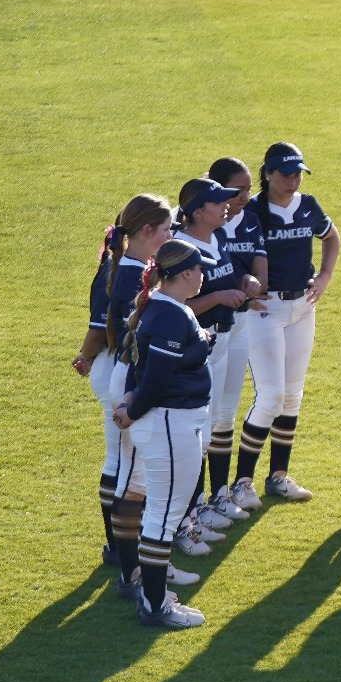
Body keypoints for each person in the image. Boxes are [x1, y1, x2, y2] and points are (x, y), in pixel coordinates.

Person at [112, 242, 217, 630]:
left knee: (152, 508)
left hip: (161, 422)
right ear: (186, 273)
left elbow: (137, 369)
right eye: (199, 268)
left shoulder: (157, 306)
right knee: (163, 518)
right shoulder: (171, 317)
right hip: (170, 424)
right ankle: (156, 607)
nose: (203, 274)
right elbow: (155, 380)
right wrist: (132, 410)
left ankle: (143, 590)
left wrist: (127, 403)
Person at [233, 141, 338, 505]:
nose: (294, 180)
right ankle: (242, 482)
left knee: (292, 395)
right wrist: (244, 288)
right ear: (268, 175)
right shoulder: (254, 210)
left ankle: (278, 475)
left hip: (302, 308)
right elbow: (233, 250)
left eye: (298, 174)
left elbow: (331, 236)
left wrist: (324, 276)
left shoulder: (307, 206)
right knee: (272, 395)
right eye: (286, 174)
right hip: (265, 310)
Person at [70, 194, 169, 573]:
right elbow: (99, 329)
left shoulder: (132, 267)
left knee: (125, 460)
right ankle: (119, 546)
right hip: (117, 371)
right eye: (165, 229)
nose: (169, 235)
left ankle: (121, 543)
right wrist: (85, 355)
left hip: (115, 367)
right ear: (146, 230)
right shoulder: (128, 274)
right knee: (124, 462)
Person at [165, 176, 250, 558]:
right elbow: (174, 306)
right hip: (200, 346)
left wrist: (243, 281)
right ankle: (190, 517)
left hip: (225, 337)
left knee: (217, 423)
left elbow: (229, 274)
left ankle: (203, 507)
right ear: (197, 211)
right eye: (219, 203)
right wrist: (218, 295)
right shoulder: (181, 248)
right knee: (197, 436)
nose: (227, 206)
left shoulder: (220, 238)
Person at [200, 156, 266, 524]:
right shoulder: (193, 232)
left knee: (225, 416)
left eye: (244, 191)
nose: (240, 199)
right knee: (204, 422)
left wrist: (245, 285)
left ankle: (220, 495)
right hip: (208, 335)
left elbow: (241, 274)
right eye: (233, 191)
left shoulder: (230, 225)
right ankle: (195, 509)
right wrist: (223, 295)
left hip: (237, 327)